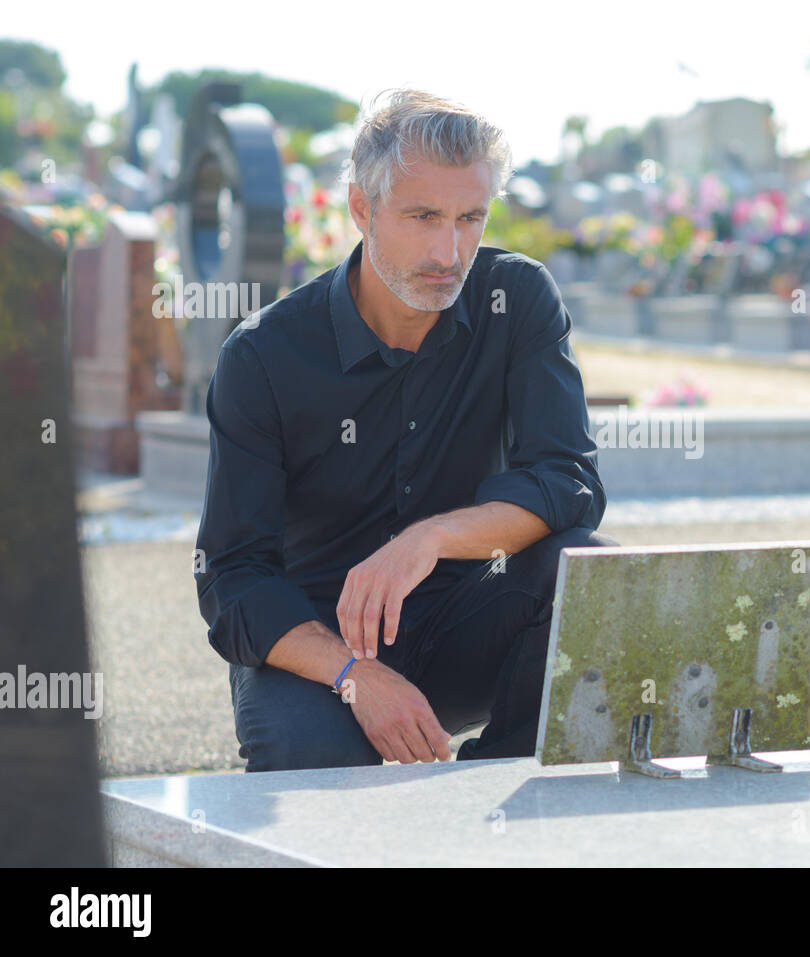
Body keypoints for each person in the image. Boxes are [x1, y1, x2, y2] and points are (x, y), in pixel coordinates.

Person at [195, 89, 616, 772]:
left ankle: (493, 796)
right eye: (423, 216)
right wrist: (354, 674)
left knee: (591, 569)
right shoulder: (262, 357)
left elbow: (568, 480)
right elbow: (232, 578)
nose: (449, 251)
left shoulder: (520, 301)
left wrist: (432, 537)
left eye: (469, 217)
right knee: (315, 778)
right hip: (317, 651)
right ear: (362, 208)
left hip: (465, 628)